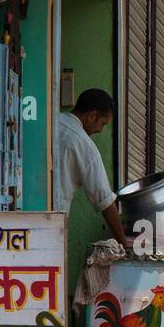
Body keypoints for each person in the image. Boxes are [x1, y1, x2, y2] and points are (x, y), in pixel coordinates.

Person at [55, 89, 128, 245]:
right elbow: (105, 200)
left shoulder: (50, 121)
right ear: (91, 116)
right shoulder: (83, 144)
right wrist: (123, 241)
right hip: (53, 225)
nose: (100, 130)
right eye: (102, 123)